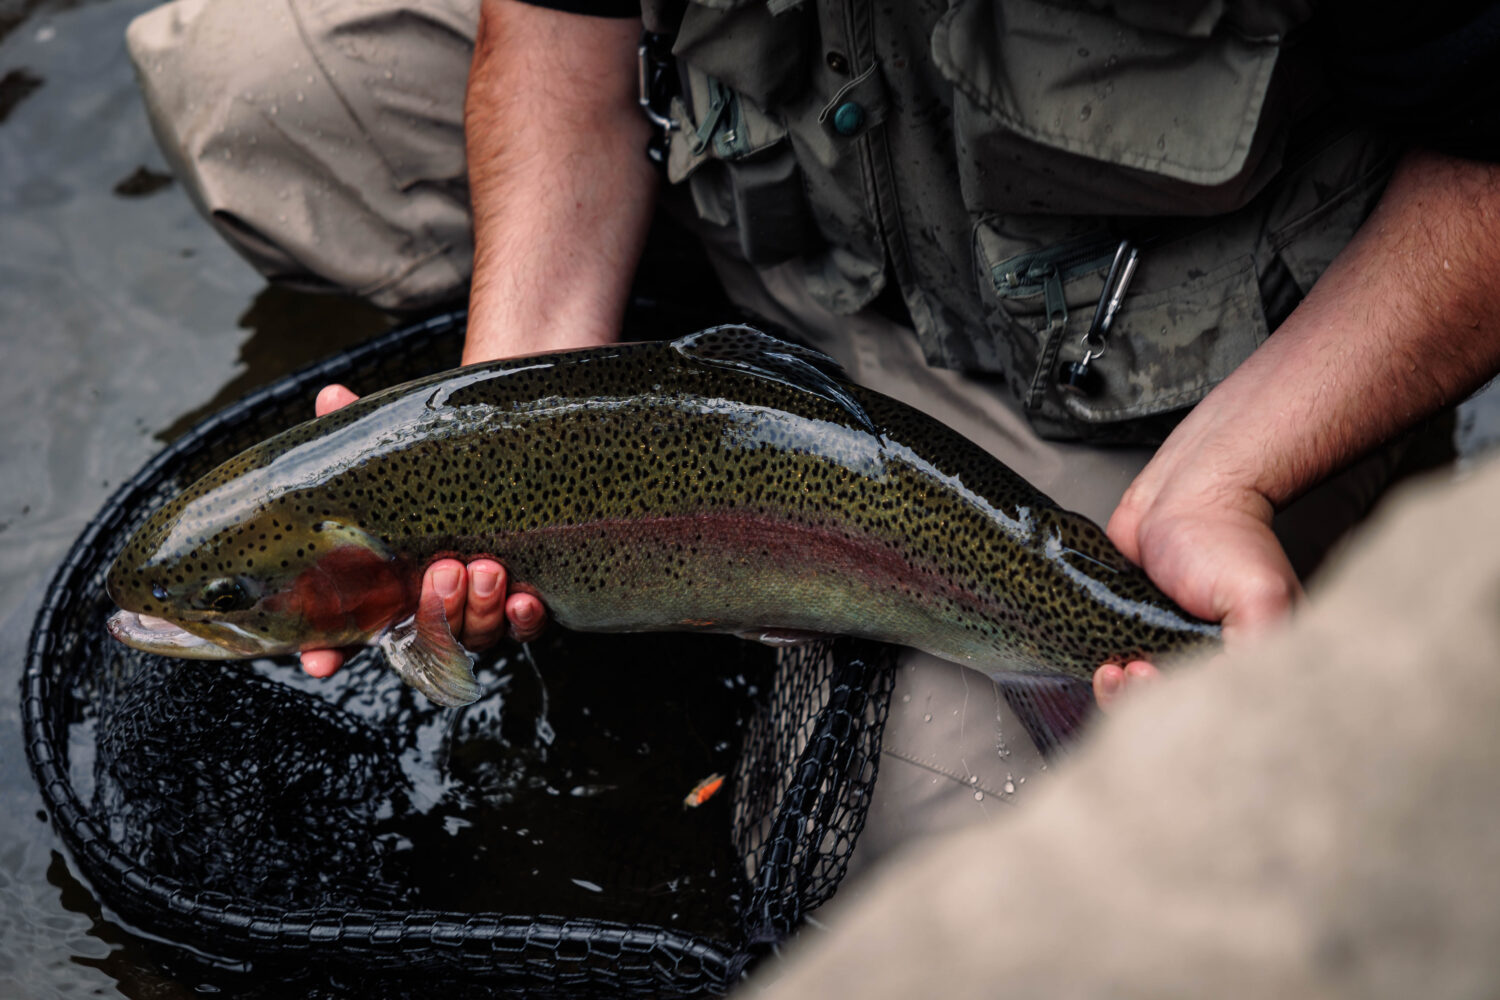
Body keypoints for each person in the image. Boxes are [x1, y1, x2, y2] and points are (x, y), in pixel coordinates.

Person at [125, 0, 1500, 866]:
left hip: (1136, 355)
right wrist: (517, 393)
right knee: (262, 94)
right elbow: (555, 33)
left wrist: (1232, 478)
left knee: (949, 851)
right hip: (774, 169)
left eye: (243, 598)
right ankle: (699, 367)